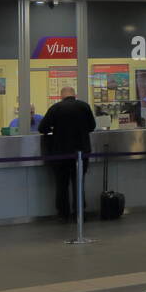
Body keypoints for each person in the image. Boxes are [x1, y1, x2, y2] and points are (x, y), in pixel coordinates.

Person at [38, 87, 97, 220]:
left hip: (61, 153)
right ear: (74, 95)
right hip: (81, 152)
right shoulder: (84, 106)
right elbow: (92, 126)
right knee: (78, 183)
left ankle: (63, 214)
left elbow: (42, 128)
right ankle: (79, 212)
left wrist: (55, 129)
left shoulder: (56, 108)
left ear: (61, 96)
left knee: (62, 184)